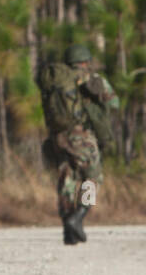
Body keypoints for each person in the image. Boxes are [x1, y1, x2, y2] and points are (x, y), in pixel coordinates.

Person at [37, 43, 119, 245]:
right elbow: (114, 103)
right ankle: (79, 216)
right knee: (93, 179)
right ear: (85, 62)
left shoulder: (56, 80)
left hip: (58, 137)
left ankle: (68, 230)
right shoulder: (89, 78)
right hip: (82, 137)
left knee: (67, 180)